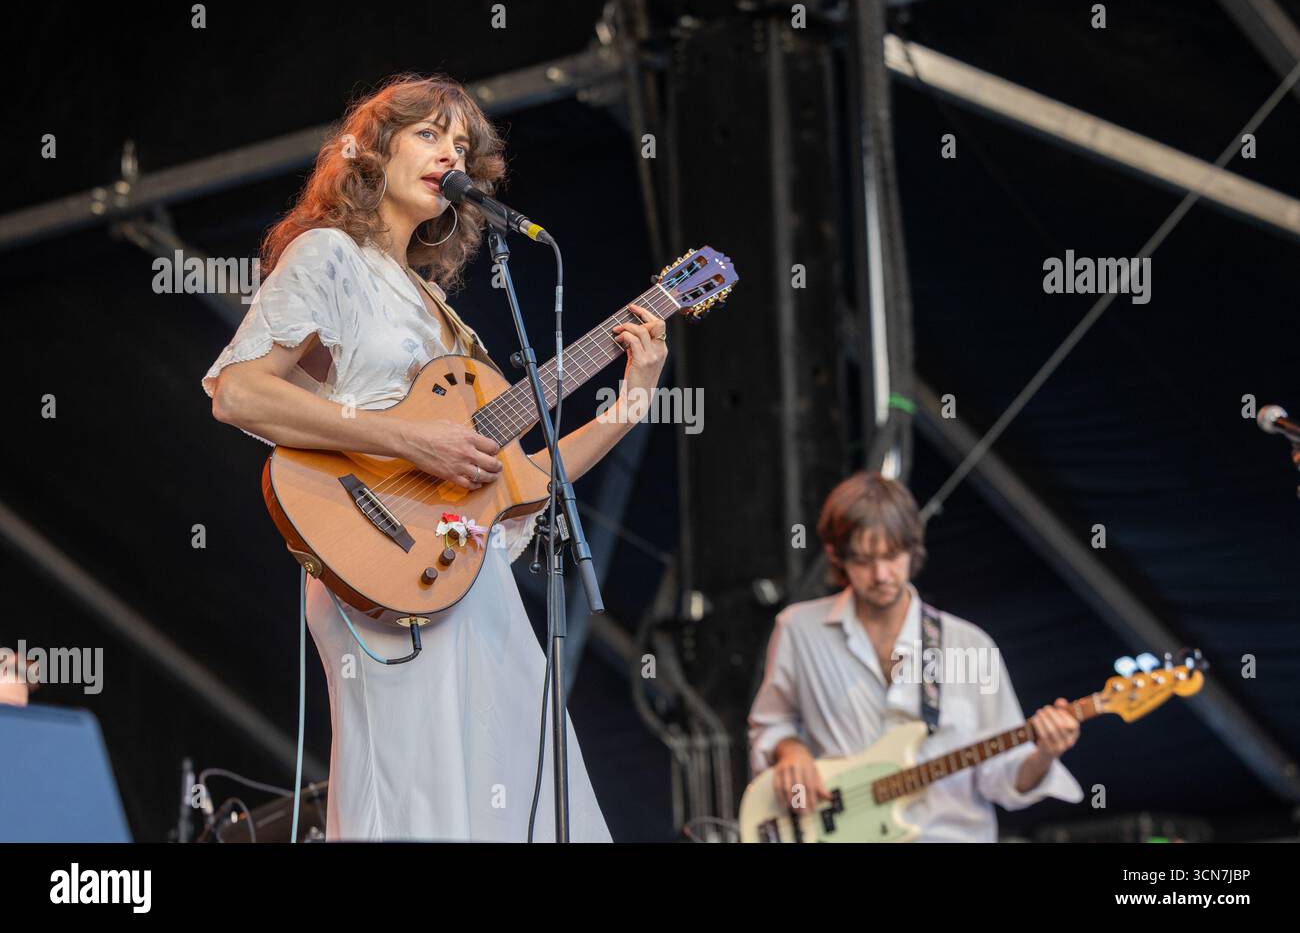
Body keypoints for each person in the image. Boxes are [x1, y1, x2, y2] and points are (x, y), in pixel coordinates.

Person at [203, 73, 668, 841]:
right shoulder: (329, 257)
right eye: (429, 134)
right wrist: (407, 439)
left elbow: (524, 483)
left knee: (522, 792)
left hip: (469, 576)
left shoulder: (445, 315)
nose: (449, 153)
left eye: (461, 146)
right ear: (371, 152)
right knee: (419, 799)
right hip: (379, 565)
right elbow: (239, 393)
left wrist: (634, 398)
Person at [748, 471, 1083, 841]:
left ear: (913, 547)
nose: (880, 574)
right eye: (862, 560)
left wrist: (1044, 754)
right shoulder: (799, 629)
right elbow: (770, 723)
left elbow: (1000, 779)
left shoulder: (970, 646)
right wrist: (790, 751)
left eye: (892, 556)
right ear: (836, 556)